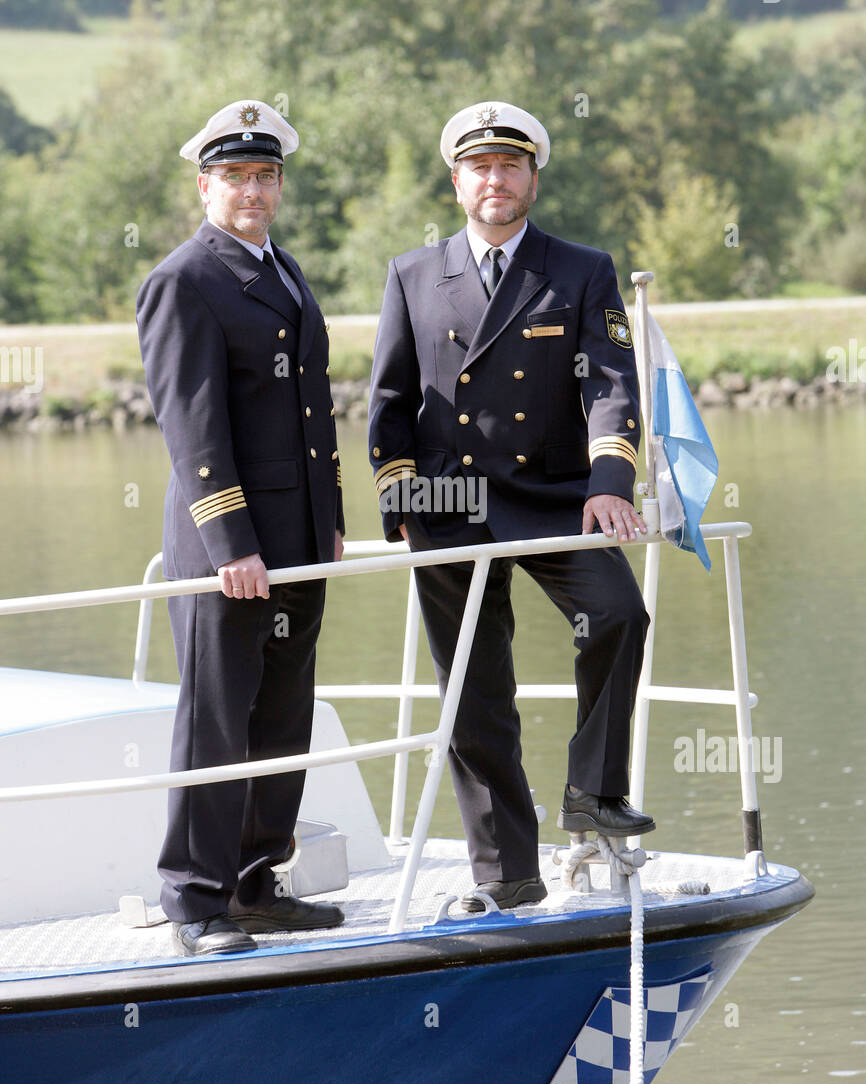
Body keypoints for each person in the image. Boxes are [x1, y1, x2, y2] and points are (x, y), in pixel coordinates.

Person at [368, 101, 654, 913]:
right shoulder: (413, 274)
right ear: (457, 181)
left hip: (553, 495)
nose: (496, 181)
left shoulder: (580, 268)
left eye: (511, 167)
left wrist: (610, 483)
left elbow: (610, 386)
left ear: (533, 177)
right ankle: (508, 875)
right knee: (474, 692)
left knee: (618, 615)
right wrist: (399, 498)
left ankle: (594, 793)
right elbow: (388, 397)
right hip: (447, 502)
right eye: (480, 168)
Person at [137, 100, 345, 955]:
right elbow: (192, 431)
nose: (252, 190)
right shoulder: (184, 279)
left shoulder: (284, 271)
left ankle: (257, 882)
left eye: (265, 176)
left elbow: (310, 412)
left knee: (283, 712)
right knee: (216, 719)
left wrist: (327, 523)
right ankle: (194, 899)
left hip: (296, 544)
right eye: (235, 176)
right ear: (204, 185)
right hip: (232, 549)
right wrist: (234, 546)